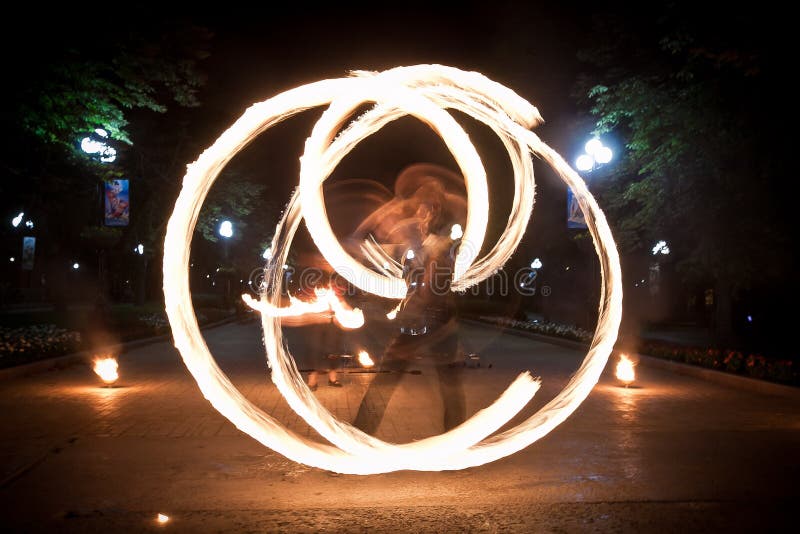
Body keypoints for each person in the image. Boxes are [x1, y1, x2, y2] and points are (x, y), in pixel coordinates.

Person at [353, 175, 465, 433]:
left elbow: (428, 287)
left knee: (440, 385)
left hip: (431, 321)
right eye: (416, 208)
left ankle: (359, 437)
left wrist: (410, 321)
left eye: (422, 208)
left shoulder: (441, 245)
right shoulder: (417, 246)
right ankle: (360, 436)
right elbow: (362, 239)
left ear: (433, 210)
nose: (417, 214)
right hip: (431, 321)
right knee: (446, 386)